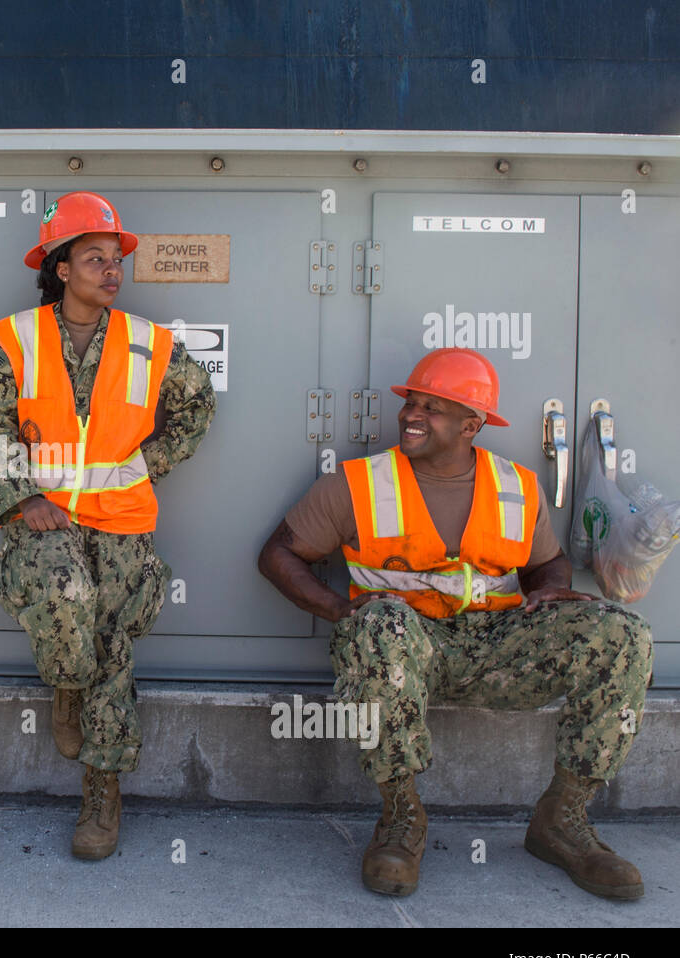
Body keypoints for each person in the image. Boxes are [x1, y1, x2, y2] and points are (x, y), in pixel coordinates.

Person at [258, 348, 652, 899]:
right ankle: (400, 819)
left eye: (433, 408)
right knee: (378, 626)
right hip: (407, 651)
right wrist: (336, 609)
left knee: (623, 634)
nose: (411, 415)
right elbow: (278, 554)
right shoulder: (357, 484)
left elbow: (546, 561)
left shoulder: (514, 484)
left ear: (473, 425)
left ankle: (563, 820)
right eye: (411, 403)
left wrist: (547, 592)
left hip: (496, 647)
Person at [0, 191, 216, 859]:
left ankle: (101, 792)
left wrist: (148, 462)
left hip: (123, 521)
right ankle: (67, 684)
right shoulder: (13, 338)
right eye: (95, 258)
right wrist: (22, 500)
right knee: (66, 596)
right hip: (45, 520)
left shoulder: (150, 342)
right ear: (60, 267)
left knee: (112, 646)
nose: (113, 271)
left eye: (117, 260)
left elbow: (198, 409)